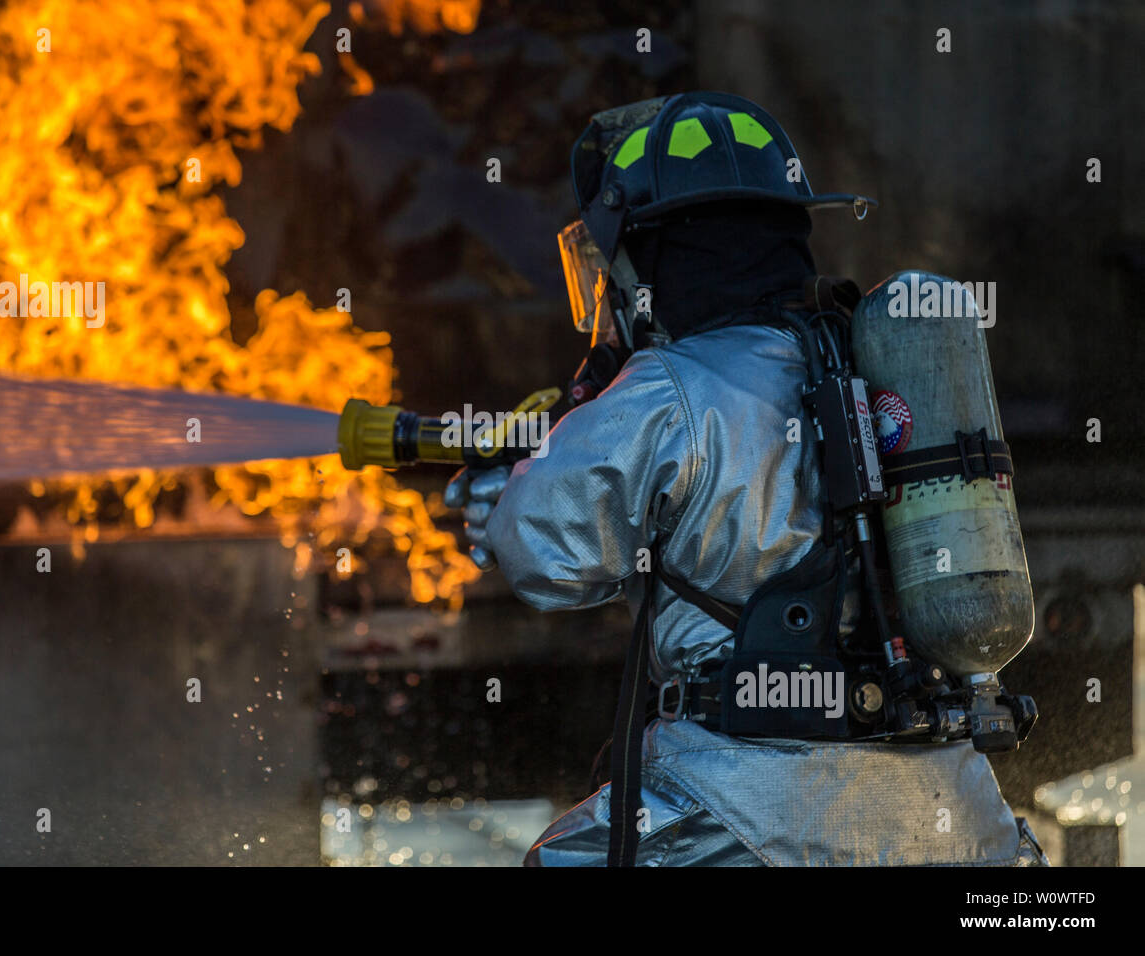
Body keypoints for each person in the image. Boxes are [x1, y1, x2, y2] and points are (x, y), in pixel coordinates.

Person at [443, 92, 1047, 866]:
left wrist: (500, 496)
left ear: (647, 256)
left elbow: (543, 557)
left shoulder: (671, 387)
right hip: (958, 814)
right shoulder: (888, 360)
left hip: (749, 802)